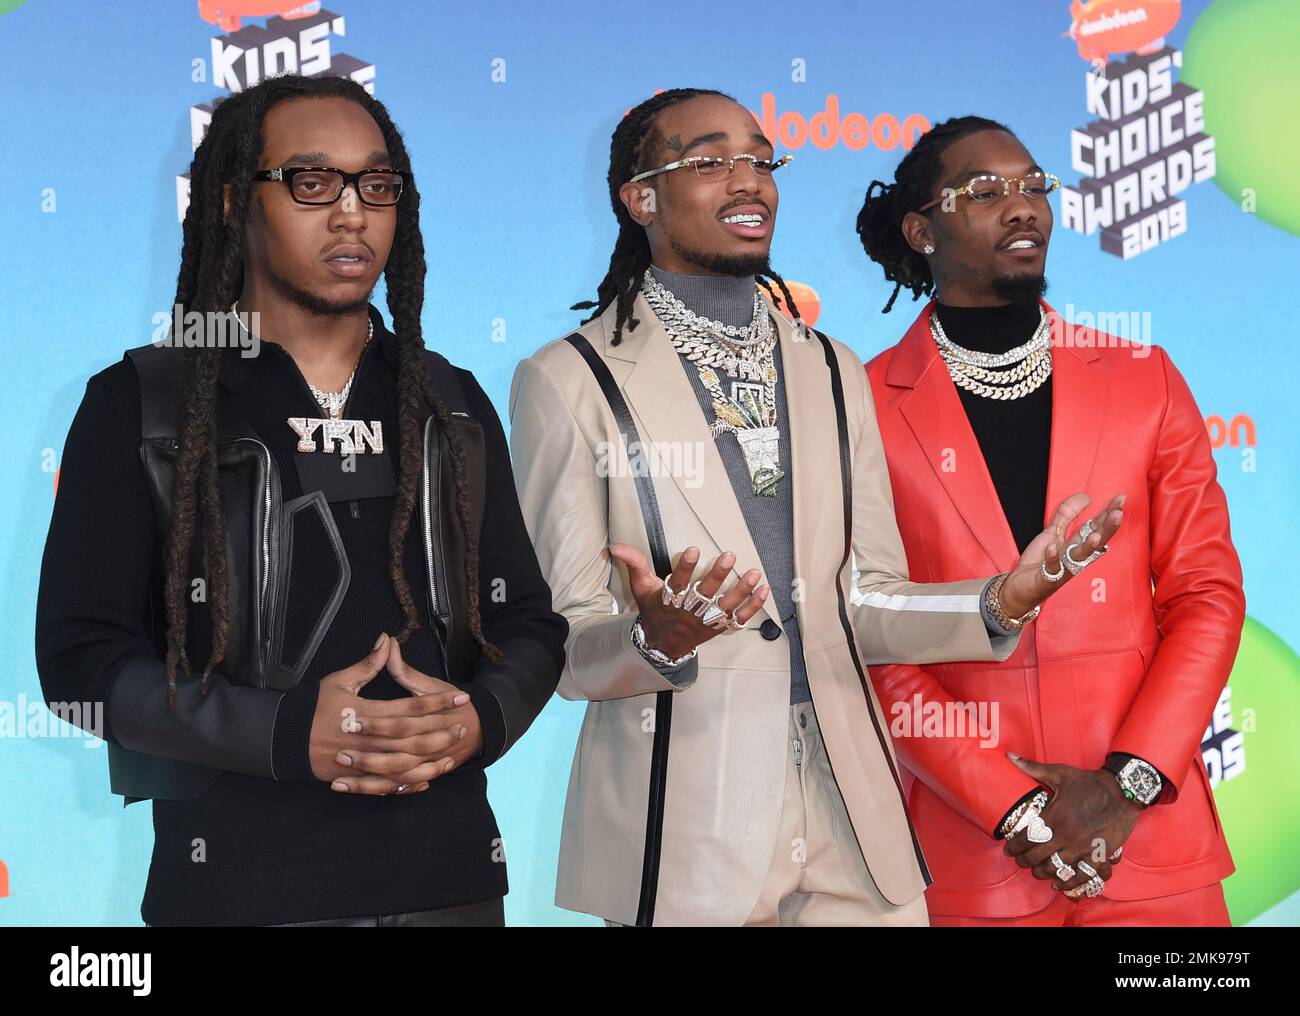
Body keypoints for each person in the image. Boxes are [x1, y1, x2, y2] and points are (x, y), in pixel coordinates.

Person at [508, 89, 1122, 926]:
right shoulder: (567, 380)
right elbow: (567, 645)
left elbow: (864, 599)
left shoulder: (831, 367)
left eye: (761, 160)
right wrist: (657, 637)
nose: (749, 182)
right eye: (710, 161)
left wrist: (999, 600)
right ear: (641, 197)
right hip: (685, 820)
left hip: (852, 811)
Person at [35, 73, 567, 927]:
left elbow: (529, 626)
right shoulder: (143, 402)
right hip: (240, 889)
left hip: (454, 882)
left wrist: (482, 720)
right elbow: (80, 664)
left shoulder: (451, 400)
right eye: (312, 183)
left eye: (378, 185)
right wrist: (284, 733)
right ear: (228, 202)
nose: (353, 213)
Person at [857, 115, 1243, 926]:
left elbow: (1205, 595)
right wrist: (1013, 808)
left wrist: (1127, 783)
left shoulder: (1146, 378)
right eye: (987, 192)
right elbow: (866, 634)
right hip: (976, 855)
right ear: (921, 228)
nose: (1024, 206)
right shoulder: (859, 405)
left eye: (1036, 186)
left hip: (1149, 844)